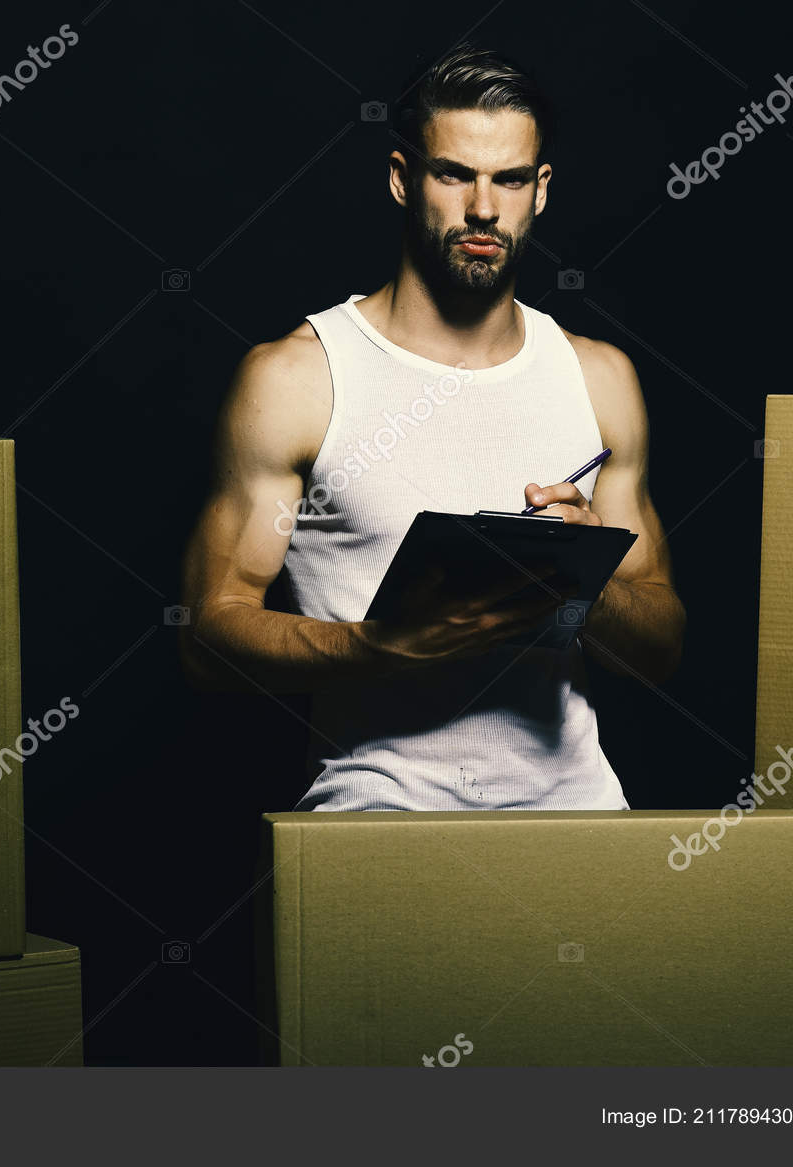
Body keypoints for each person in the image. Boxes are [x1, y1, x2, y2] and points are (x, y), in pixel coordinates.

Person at [178, 44, 685, 811]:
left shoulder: (599, 378)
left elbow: (662, 649)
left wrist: (589, 582)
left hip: (577, 819)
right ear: (402, 178)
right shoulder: (297, 379)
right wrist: (380, 646)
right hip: (382, 813)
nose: (483, 208)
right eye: (453, 174)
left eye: (510, 179)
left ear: (540, 190)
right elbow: (206, 638)